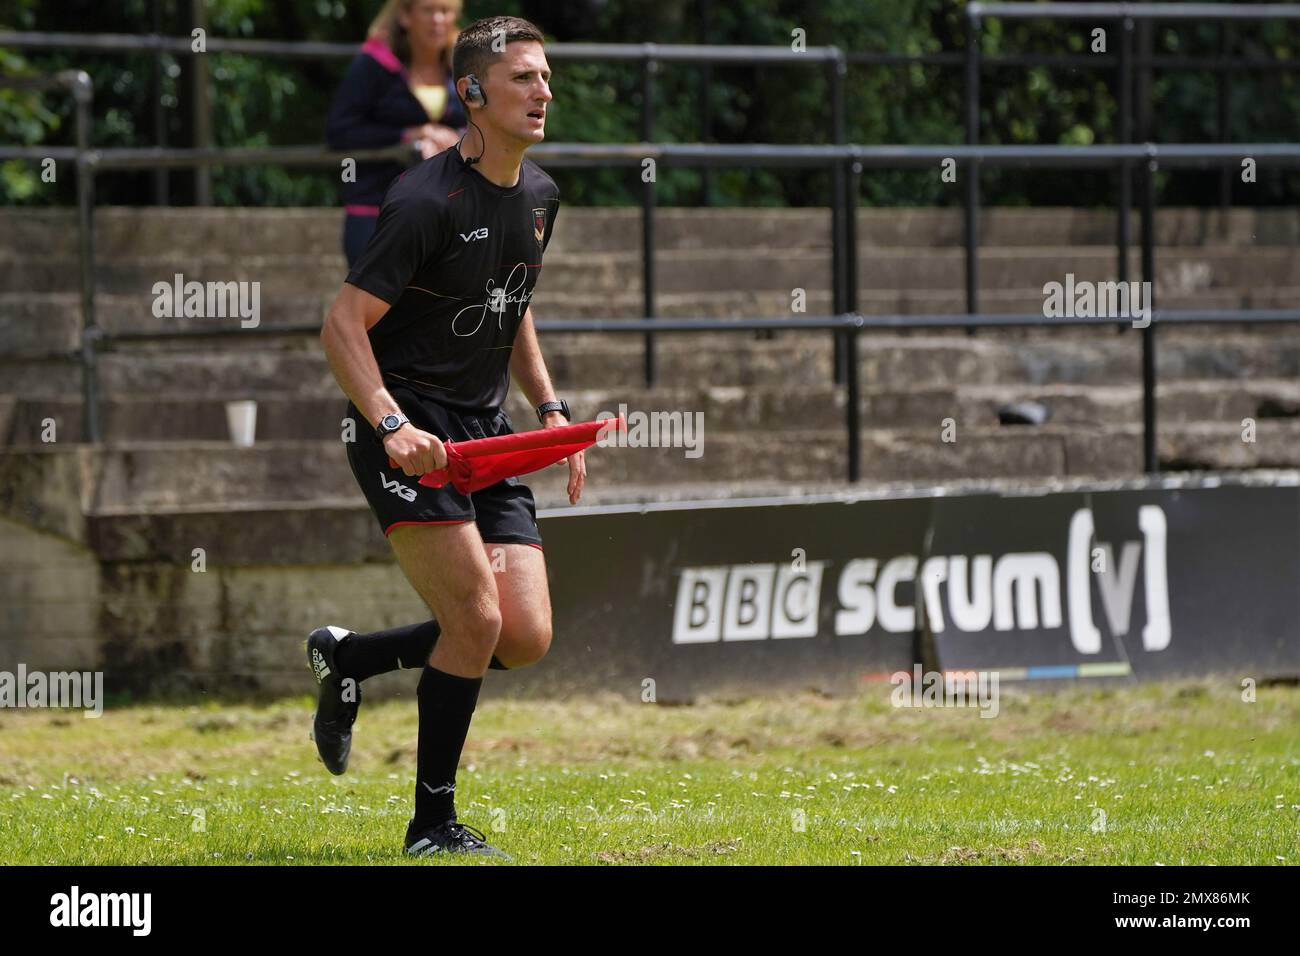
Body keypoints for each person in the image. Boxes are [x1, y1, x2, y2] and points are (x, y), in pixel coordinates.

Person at [314, 14, 579, 860]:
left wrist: (549, 411)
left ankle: (352, 659)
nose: (543, 91)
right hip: (407, 430)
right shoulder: (425, 199)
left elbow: (514, 298)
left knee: (522, 634)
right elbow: (342, 323)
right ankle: (433, 825)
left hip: (483, 430)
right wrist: (389, 423)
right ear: (472, 93)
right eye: (522, 79)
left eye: (544, 77)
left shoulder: (538, 194)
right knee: (472, 616)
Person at [326, 0, 469, 266]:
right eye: (428, 10)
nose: (437, 20)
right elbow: (340, 131)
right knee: (369, 306)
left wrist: (456, 140)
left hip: (445, 211)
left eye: (445, 11)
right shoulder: (372, 64)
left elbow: (482, 123)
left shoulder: (463, 64)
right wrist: (408, 135)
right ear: (405, 15)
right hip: (376, 209)